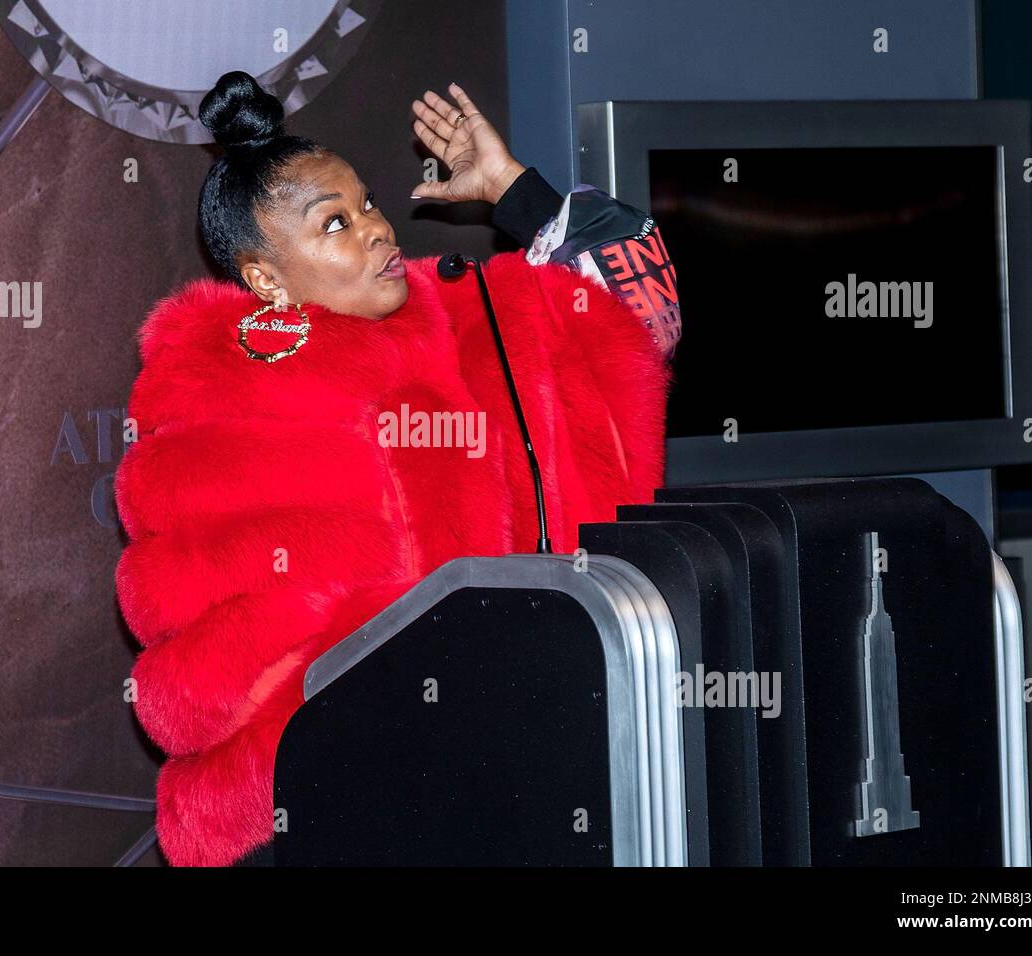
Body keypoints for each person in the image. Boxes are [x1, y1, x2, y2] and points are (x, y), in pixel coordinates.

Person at [113, 70, 680, 866]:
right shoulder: (210, 403)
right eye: (334, 223)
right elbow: (212, 677)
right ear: (264, 278)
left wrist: (510, 189)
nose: (377, 229)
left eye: (370, 204)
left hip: (494, 789)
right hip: (308, 815)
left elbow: (635, 300)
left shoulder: (467, 321)